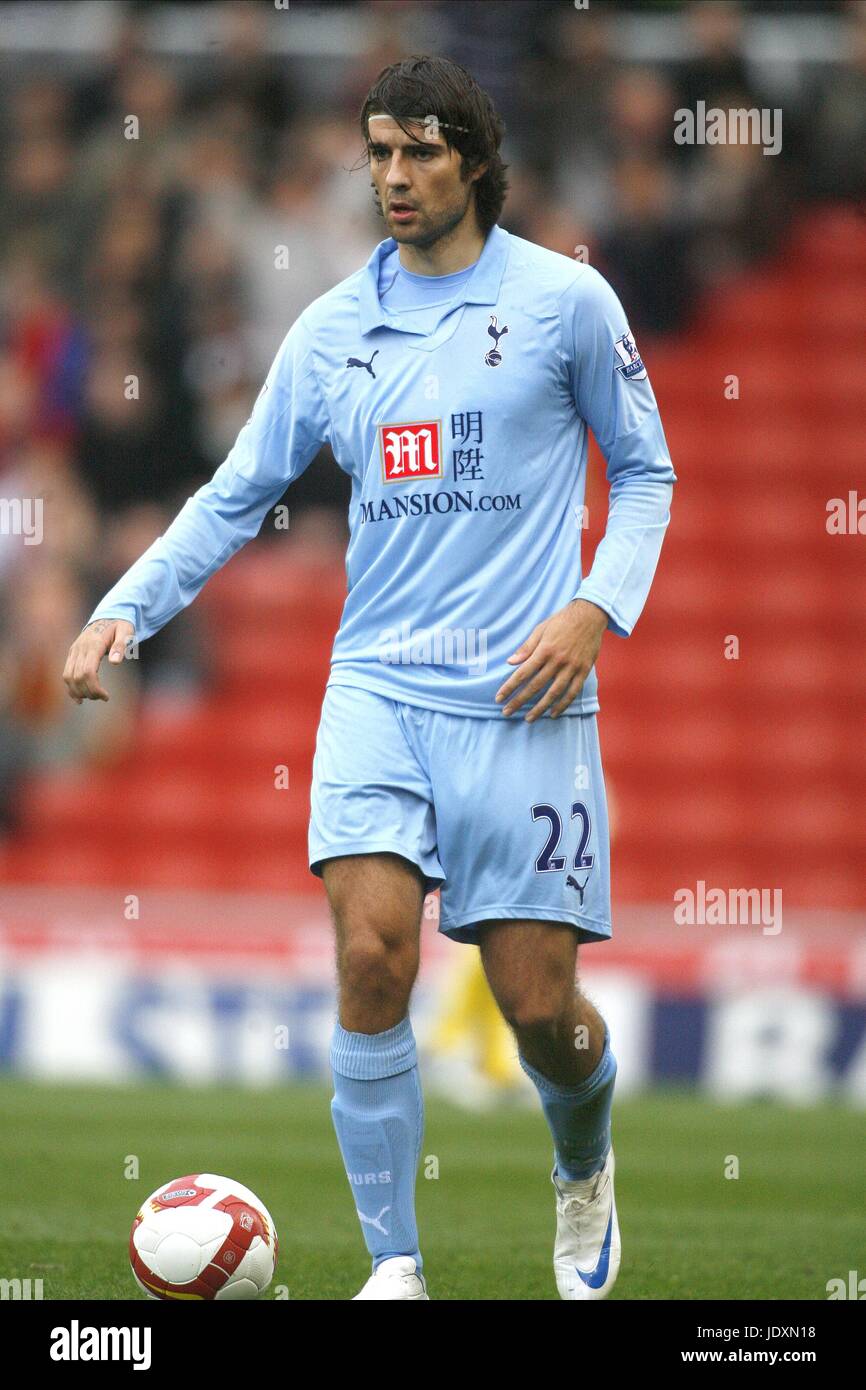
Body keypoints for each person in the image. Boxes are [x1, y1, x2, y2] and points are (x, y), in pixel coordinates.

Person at [63, 54, 676, 1301]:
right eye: (378, 153)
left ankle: (581, 1168)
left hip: (524, 698)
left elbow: (647, 474)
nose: (393, 177)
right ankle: (395, 1261)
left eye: (419, 154)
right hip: (378, 692)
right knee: (371, 957)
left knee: (537, 1007)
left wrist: (593, 609)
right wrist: (125, 606)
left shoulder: (566, 303)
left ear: (473, 162)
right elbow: (239, 493)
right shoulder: (335, 329)